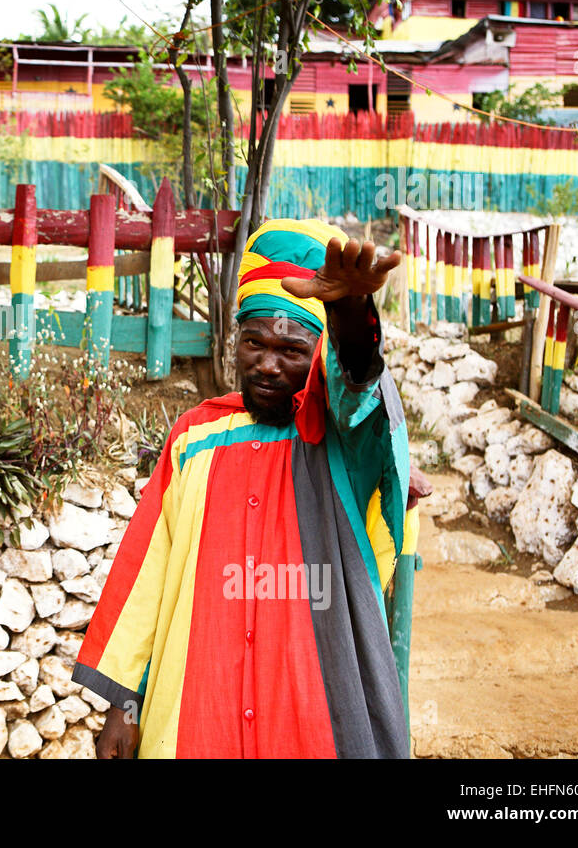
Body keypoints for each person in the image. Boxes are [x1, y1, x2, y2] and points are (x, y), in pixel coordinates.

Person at [73, 219, 422, 759]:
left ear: (319, 356)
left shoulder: (340, 438)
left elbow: (363, 392)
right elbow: (150, 569)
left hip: (309, 713)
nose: (267, 363)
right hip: (194, 715)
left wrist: (350, 313)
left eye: (292, 350)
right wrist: (124, 707)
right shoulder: (194, 438)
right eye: (254, 342)